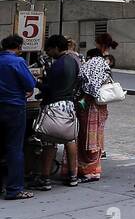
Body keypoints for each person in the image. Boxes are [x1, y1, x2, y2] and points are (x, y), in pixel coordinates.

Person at [36, 34, 81, 188]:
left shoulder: (57, 65)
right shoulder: (73, 61)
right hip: (69, 106)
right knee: (70, 140)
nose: (48, 53)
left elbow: (50, 89)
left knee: (49, 141)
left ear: (55, 48)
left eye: (49, 49)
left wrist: (38, 84)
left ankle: (45, 178)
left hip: (54, 106)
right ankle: (73, 176)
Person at [0, 33, 37, 200]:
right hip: (14, 108)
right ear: (18, 47)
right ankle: (14, 189)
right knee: (14, 148)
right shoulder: (17, 61)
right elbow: (30, 84)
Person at [73, 47, 112, 181]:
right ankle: (94, 168)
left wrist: (84, 99)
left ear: (90, 56)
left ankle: (88, 170)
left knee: (86, 136)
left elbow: (91, 85)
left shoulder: (90, 64)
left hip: (88, 106)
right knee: (96, 137)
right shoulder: (103, 64)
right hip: (100, 107)